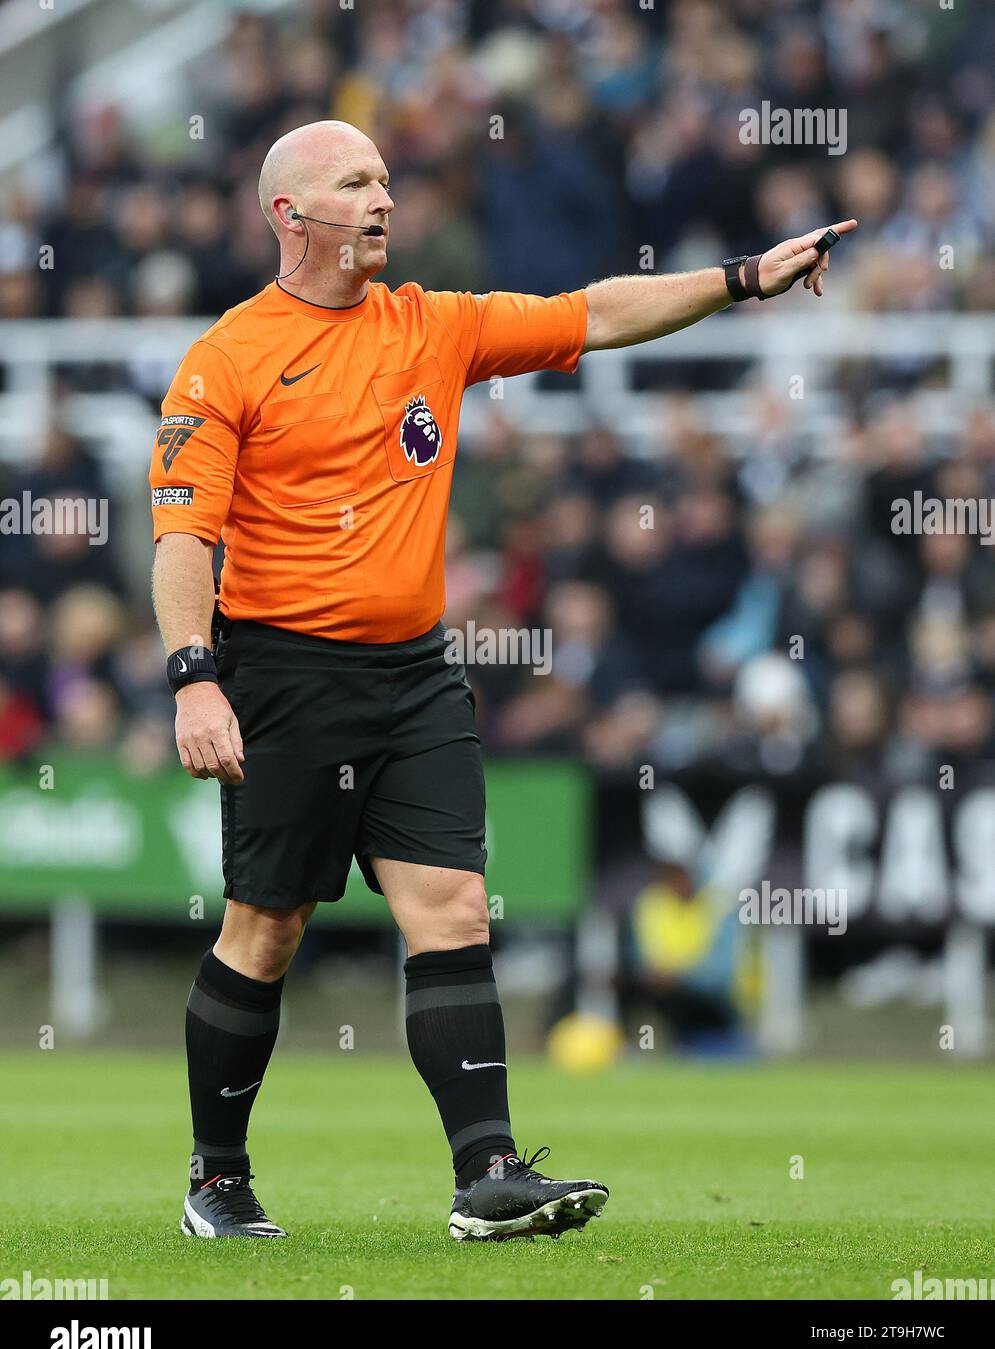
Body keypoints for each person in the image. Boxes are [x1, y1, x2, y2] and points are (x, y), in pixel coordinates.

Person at [149, 119, 855, 1241]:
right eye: (353, 182)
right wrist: (194, 679)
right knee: (267, 928)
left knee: (453, 907)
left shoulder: (434, 325)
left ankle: (485, 1175)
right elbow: (184, 540)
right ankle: (218, 1177)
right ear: (290, 214)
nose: (383, 197)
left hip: (415, 675)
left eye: (385, 177)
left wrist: (740, 280)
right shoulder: (227, 356)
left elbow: (595, 310)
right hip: (281, 674)